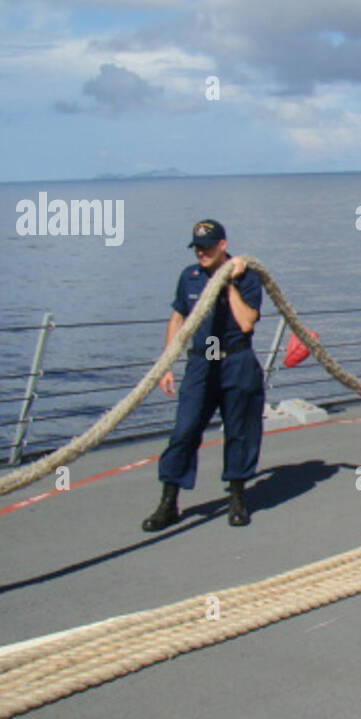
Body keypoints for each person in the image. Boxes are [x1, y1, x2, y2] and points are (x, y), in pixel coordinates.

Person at [142, 219, 265, 531]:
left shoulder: (248, 277)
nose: (201, 253)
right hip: (202, 362)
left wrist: (227, 284)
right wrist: (166, 364)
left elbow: (247, 322)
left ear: (222, 245)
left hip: (236, 360)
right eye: (197, 247)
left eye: (207, 247)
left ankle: (237, 499)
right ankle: (168, 503)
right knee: (184, 431)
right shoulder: (189, 277)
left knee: (239, 433)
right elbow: (178, 317)